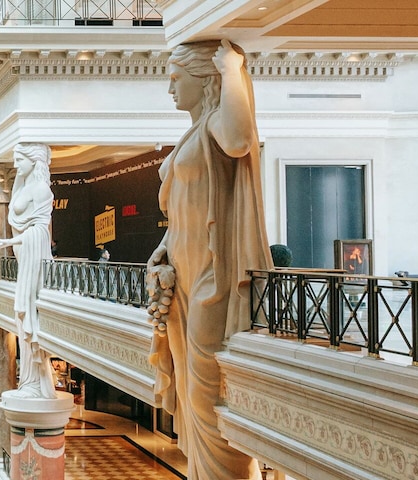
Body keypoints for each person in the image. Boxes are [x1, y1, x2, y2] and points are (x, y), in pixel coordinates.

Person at [146, 39, 268, 480]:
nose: (170, 88)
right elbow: (182, 211)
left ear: (204, 80)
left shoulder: (217, 122)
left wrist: (233, 70)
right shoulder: (193, 131)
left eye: (176, 78)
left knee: (205, 393)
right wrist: (163, 248)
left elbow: (240, 139)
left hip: (211, 277)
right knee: (189, 385)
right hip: (182, 271)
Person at [0, 142, 60, 399]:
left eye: (20, 159)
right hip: (23, 260)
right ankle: (29, 381)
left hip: (32, 259)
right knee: (22, 320)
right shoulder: (26, 185)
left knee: (27, 315)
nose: (16, 164)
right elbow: (17, 214)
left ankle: (35, 383)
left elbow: (40, 231)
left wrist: (8, 242)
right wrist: (9, 243)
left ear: (33, 159)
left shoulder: (41, 189)